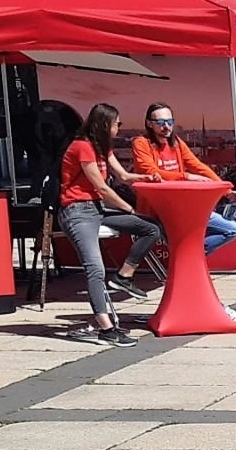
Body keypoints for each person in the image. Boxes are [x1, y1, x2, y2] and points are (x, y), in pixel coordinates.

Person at [56, 102, 162, 346]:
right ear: (105, 124)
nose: (119, 128)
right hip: (77, 211)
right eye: (117, 124)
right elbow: (102, 188)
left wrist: (145, 177)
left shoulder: (103, 149)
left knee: (150, 228)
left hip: (97, 209)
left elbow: (123, 176)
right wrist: (128, 208)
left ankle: (124, 276)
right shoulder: (83, 147)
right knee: (95, 268)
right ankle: (106, 327)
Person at [130, 102, 236, 254]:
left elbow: (198, 166)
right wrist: (187, 176)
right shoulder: (141, 143)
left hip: (184, 206)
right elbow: (150, 171)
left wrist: (226, 191)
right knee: (180, 247)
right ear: (149, 124)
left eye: (170, 122)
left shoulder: (176, 143)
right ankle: (188, 258)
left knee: (231, 229)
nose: (166, 126)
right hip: (159, 211)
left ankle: (193, 255)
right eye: (161, 122)